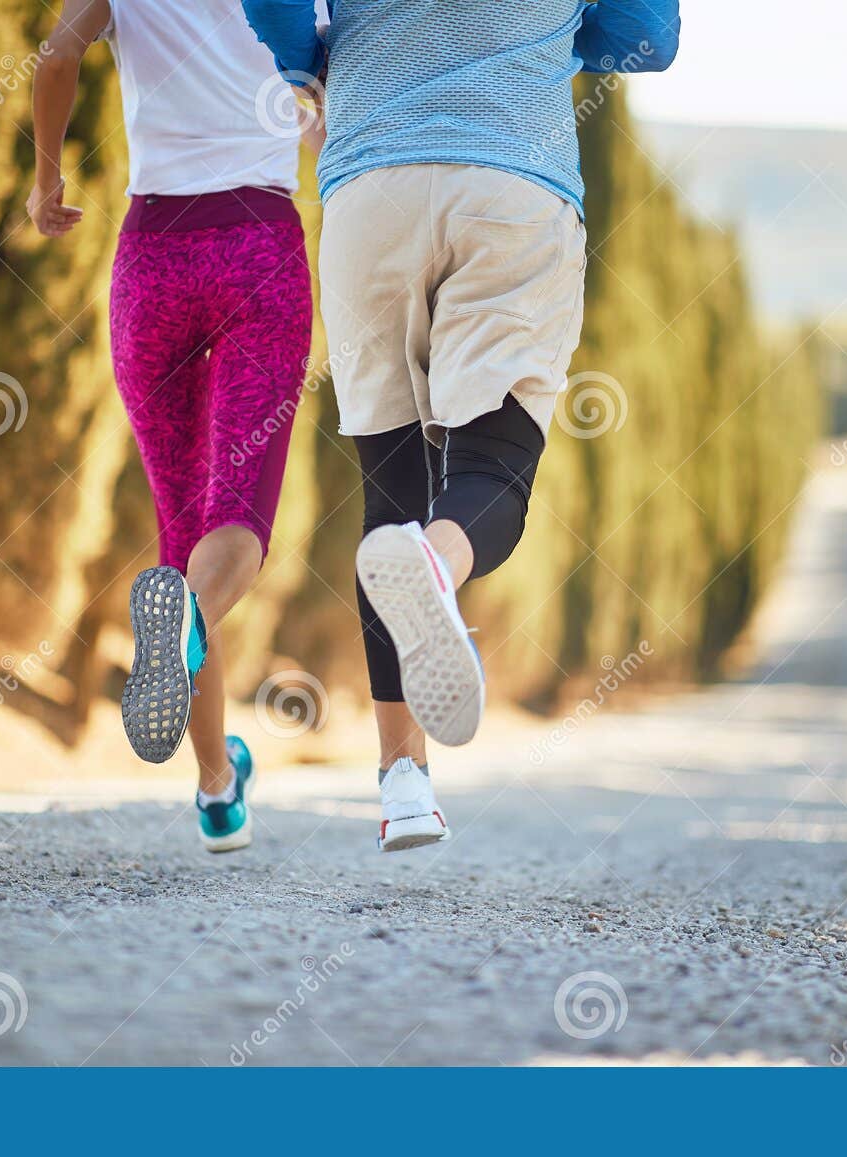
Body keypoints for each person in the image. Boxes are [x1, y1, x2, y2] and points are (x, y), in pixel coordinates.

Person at [241, 0, 681, 851]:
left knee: (389, 490)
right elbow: (650, 37)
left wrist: (319, 59)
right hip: (513, 188)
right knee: (495, 470)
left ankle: (403, 783)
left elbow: (277, 6)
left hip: (371, 186)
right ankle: (439, 566)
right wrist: (541, 35)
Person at [27, 0, 317, 852]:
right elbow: (328, 102)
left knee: (183, 532)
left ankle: (218, 788)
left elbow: (53, 56)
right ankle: (189, 644)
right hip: (259, 248)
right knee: (235, 525)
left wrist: (47, 182)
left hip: (152, 257)